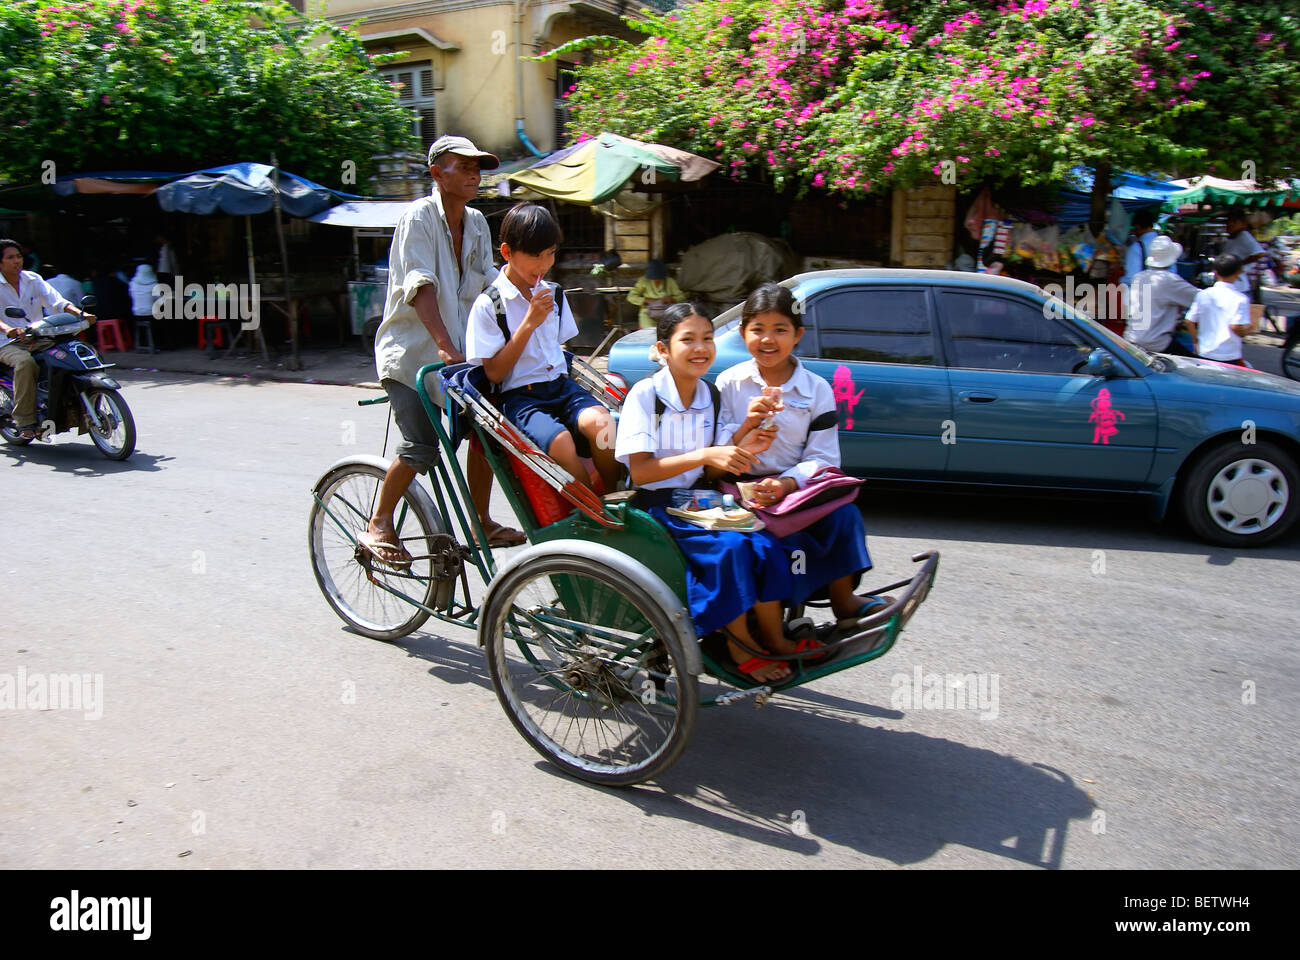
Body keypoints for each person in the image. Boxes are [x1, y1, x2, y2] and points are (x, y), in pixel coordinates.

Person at [614, 301, 799, 683]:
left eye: (708, 338)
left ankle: (775, 639)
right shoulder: (645, 396)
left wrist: (746, 442)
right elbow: (642, 471)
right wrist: (705, 453)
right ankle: (739, 648)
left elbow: (713, 469)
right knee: (729, 550)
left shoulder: (709, 395)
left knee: (764, 544)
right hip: (656, 506)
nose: (701, 348)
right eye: (688, 340)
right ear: (663, 349)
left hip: (697, 501)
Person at [363, 135, 525, 567]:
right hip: (414, 353)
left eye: (478, 167)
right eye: (464, 165)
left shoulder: (475, 222)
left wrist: (530, 293)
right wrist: (445, 346)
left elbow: (489, 281)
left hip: (457, 356)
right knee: (421, 446)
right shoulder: (417, 217)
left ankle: (480, 521)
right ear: (437, 173)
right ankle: (379, 522)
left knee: (488, 433)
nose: (474, 174)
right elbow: (420, 285)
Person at [717, 282, 887, 635]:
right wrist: (745, 437)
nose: (768, 339)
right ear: (742, 333)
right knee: (760, 542)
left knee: (844, 515)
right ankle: (771, 620)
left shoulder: (816, 389)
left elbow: (824, 456)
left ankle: (843, 602)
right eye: (758, 329)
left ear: (798, 335)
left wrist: (786, 483)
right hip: (739, 488)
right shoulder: (729, 384)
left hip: (795, 486)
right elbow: (715, 446)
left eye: (780, 330)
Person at [466, 202, 619, 493]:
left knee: (604, 425)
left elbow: (557, 350)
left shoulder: (555, 294)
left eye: (549, 254)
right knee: (560, 443)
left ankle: (614, 496)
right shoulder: (489, 305)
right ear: (507, 253)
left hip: (561, 387)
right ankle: (595, 511)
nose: (543, 264)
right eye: (535, 255)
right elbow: (495, 373)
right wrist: (529, 323)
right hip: (522, 398)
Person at [0, 238, 95, 439]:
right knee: (25, 363)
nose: (17, 261)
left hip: (37, 335)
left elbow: (57, 302)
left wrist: (81, 314)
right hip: (6, 342)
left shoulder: (32, 279)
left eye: (18, 256)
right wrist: (8, 329)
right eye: (10, 258)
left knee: (69, 352)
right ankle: (25, 421)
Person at [1125, 236, 1199, 354]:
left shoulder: (1138, 277)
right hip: (1155, 343)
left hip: (1131, 338)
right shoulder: (1169, 280)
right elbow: (1199, 298)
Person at [1185, 253, 1253, 366]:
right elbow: (1236, 327)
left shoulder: (1203, 295)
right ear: (1238, 273)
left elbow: (1189, 320)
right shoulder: (1240, 299)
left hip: (1204, 352)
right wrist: (1248, 329)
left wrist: (1196, 342)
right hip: (1229, 355)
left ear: (1215, 273)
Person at [625, 258, 684, 329]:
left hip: (666, 313)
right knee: (648, 332)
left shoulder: (670, 281)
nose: (656, 280)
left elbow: (682, 296)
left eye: (659, 279)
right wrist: (645, 300)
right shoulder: (643, 281)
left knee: (667, 331)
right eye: (654, 279)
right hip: (647, 313)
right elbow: (631, 297)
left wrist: (671, 299)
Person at [1220, 212, 1266, 297]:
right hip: (1231, 284)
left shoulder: (1244, 235)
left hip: (1238, 286)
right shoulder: (1233, 237)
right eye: (1228, 221)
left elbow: (1259, 253)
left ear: (1242, 224)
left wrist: (1238, 264)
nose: (1229, 224)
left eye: (1234, 221)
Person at [1121, 208, 1159, 287]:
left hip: (1145, 295)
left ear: (1137, 226)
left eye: (1134, 229)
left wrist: (1121, 280)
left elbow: (1131, 277)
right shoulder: (1167, 245)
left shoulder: (1137, 247)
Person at [128, 263, 161, 351]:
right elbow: (159, 299)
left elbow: (131, 296)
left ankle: (141, 343)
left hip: (137, 313)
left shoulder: (132, 283)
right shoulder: (154, 284)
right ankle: (157, 344)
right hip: (151, 314)